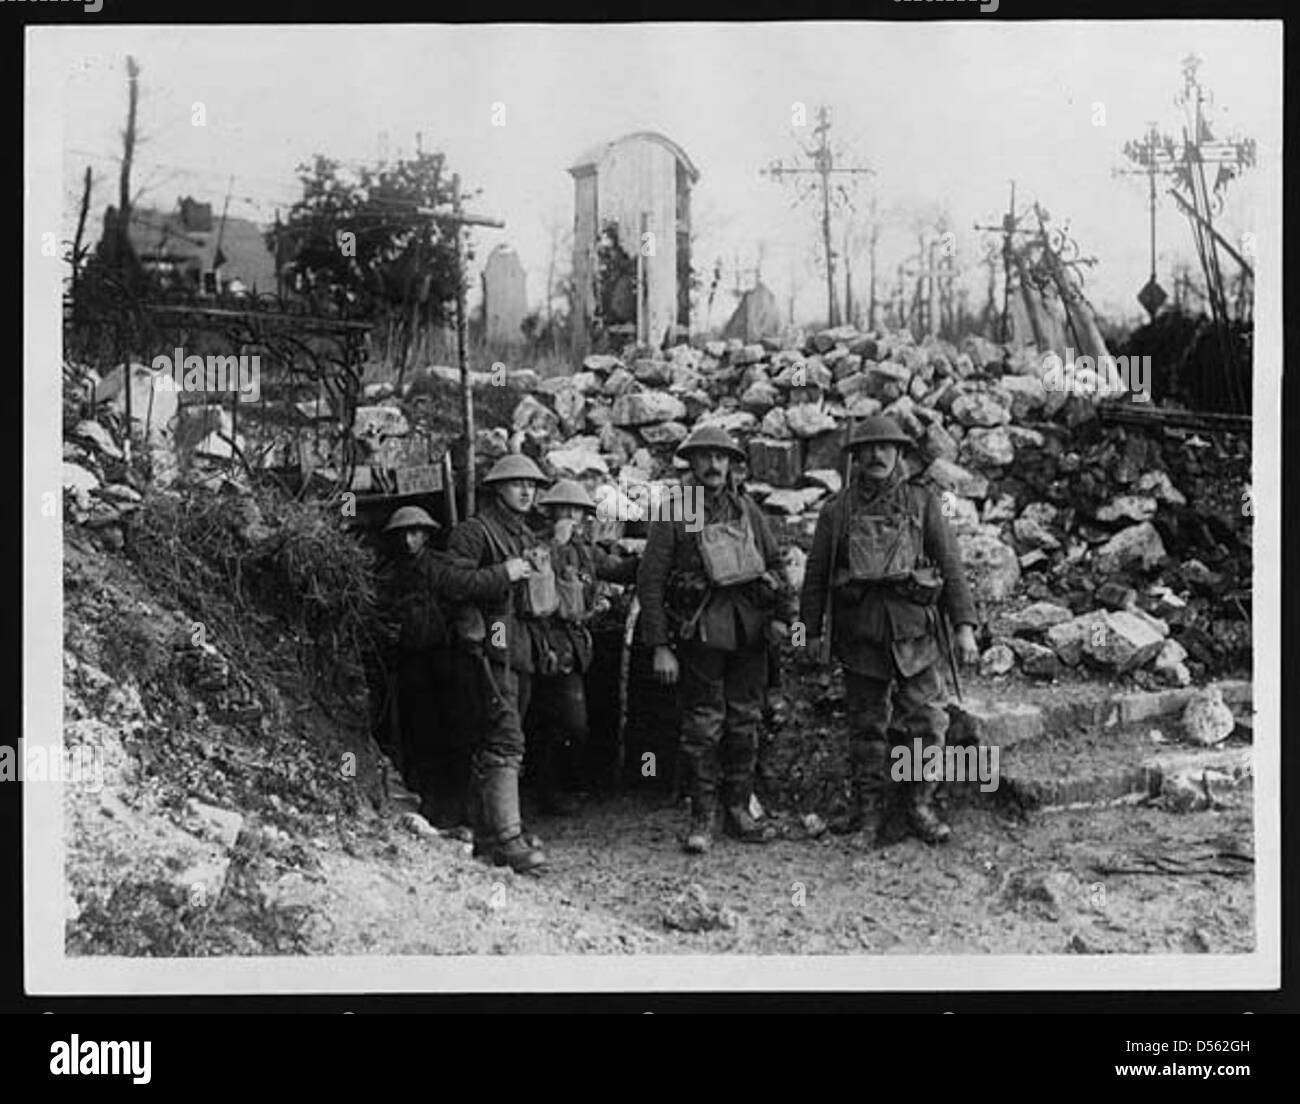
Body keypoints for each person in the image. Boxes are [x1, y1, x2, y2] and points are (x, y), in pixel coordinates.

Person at [799, 416, 980, 846]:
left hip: (914, 634)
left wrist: (965, 626)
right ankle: (869, 814)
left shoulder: (922, 503)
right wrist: (807, 633)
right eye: (869, 448)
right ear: (856, 457)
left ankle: (918, 803)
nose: (877, 455)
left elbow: (950, 564)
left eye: (886, 447)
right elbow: (816, 576)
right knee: (867, 728)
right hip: (860, 635)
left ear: (900, 453)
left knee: (926, 722)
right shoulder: (836, 510)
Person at [637, 424, 795, 854]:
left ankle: (739, 810)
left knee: (745, 720)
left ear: (731, 464)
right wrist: (660, 646)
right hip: (701, 632)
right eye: (704, 457)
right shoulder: (676, 511)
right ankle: (702, 815)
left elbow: (778, 566)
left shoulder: (746, 509)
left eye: (721, 457)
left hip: (750, 632)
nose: (713, 465)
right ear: (691, 462)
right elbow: (649, 582)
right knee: (703, 725)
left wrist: (784, 618)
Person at [445, 453, 552, 874]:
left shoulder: (523, 534)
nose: (527, 491)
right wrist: (502, 574)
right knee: (506, 739)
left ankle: (487, 832)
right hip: (492, 645)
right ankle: (507, 839)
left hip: (520, 648)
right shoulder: (475, 532)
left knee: (504, 740)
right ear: (497, 489)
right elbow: (450, 582)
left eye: (532, 485)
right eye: (516, 484)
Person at [375, 505, 500, 831]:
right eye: (402, 533)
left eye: (415, 532)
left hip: (449, 660)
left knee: (461, 735)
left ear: (427, 535)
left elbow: (470, 591)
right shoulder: (388, 576)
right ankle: (431, 807)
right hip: (413, 665)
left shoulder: (443, 567)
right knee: (421, 737)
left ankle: (462, 810)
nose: (408, 540)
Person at [529, 479, 639, 813]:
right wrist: (557, 546)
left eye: (577, 510)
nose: (572, 516)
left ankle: (561, 788)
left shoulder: (585, 551)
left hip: (573, 648)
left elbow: (616, 570)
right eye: (564, 509)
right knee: (545, 721)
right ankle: (544, 792)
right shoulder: (536, 545)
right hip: (540, 643)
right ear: (551, 512)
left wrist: (649, 559)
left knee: (573, 724)